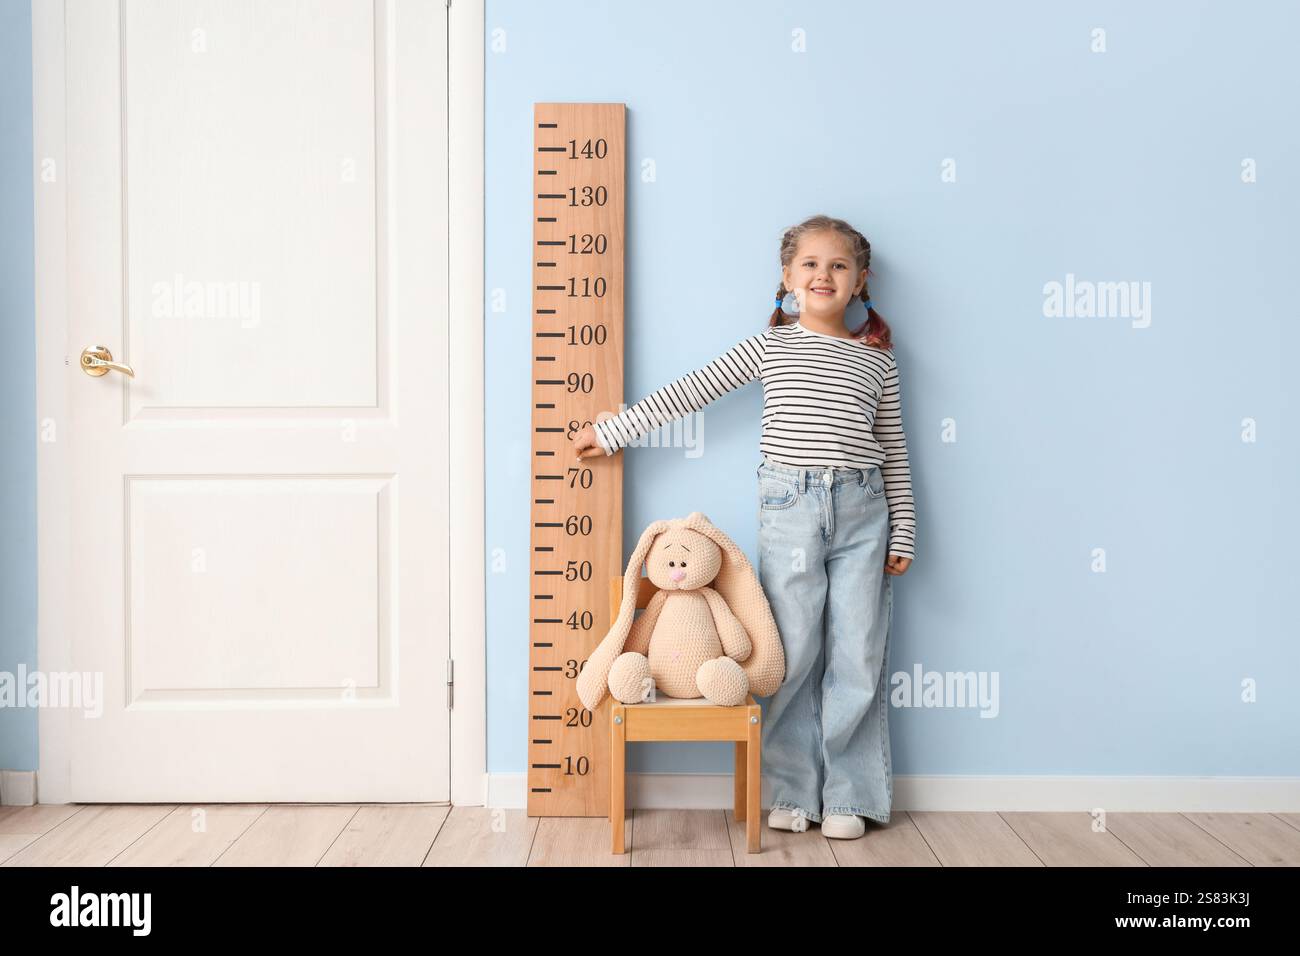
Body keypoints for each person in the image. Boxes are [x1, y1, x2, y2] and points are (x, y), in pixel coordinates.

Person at [570, 214, 916, 840]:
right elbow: (690, 391)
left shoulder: (878, 359)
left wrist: (905, 530)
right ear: (787, 277)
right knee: (789, 651)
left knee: (859, 652)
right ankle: (788, 789)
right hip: (791, 512)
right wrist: (614, 430)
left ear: (860, 282)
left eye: (838, 266)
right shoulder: (772, 346)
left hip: (866, 513)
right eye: (810, 264)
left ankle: (850, 794)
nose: (823, 275)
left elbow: (891, 447)